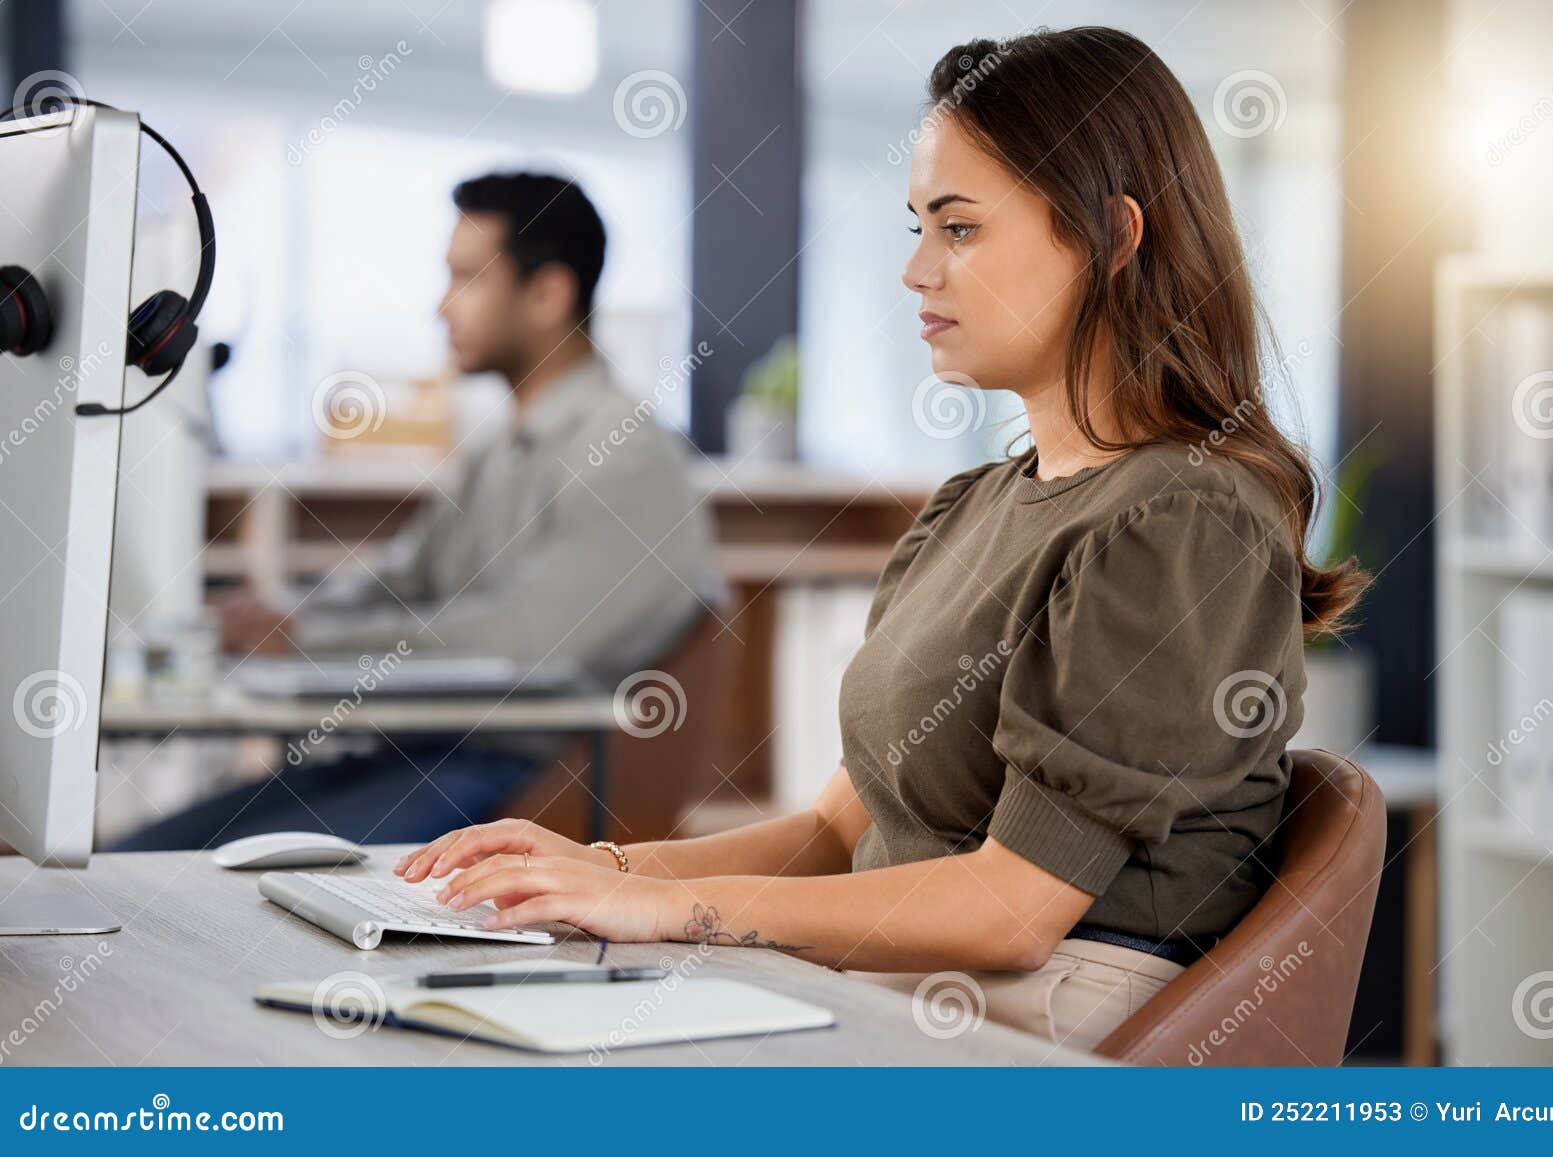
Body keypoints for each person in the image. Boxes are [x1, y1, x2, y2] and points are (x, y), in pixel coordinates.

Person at [391, 27, 1369, 1052]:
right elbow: (829, 834)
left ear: (1113, 237)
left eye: (957, 229)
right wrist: (598, 869)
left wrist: (671, 912)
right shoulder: (974, 506)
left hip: (1041, 1027)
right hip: (911, 990)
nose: (915, 269)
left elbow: (1012, 910)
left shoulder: (1179, 519)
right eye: (918, 226)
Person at [116, 173, 715, 851]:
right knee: (139, 853)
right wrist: (286, 614)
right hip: (426, 749)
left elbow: (517, 642)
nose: (441, 308)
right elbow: (402, 576)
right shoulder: (501, 445)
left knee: (189, 870)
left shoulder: (626, 455)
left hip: (512, 774)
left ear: (547, 294)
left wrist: (305, 639)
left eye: (466, 279)